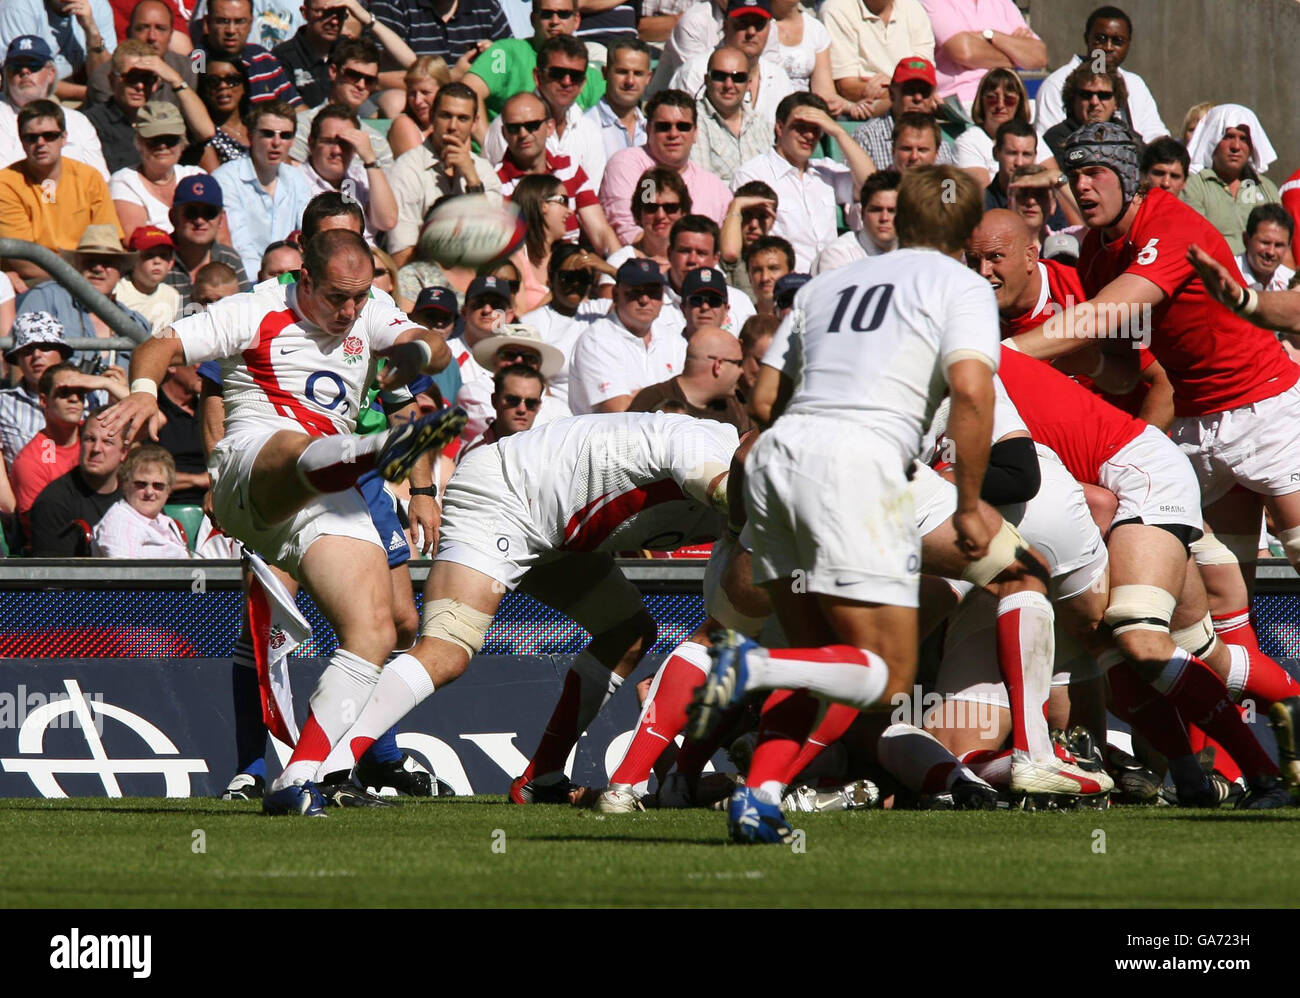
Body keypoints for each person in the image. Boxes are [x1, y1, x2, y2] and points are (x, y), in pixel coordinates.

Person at [685, 165, 1003, 843]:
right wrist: (970, 504)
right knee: (888, 675)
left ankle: (759, 796)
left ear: (898, 220)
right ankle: (750, 667)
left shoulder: (827, 284)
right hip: (860, 465)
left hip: (777, 459)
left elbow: (765, 401)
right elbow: (974, 394)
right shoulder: (964, 285)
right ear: (970, 231)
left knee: (821, 658)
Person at [100, 228, 462, 817]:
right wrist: (144, 391)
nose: (349, 311)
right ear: (306, 280)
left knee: (374, 632)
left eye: (359, 297)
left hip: (326, 498)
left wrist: (418, 352)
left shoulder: (367, 310)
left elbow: (434, 349)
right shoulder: (257, 307)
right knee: (298, 441)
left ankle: (298, 778)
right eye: (337, 298)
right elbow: (158, 346)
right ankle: (370, 450)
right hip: (253, 472)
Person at [1012, 124, 1300, 725]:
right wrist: (1063, 361)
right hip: (1196, 431)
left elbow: (1101, 315)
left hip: (1268, 409)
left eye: (1096, 173)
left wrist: (994, 358)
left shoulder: (1167, 225)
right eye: (1074, 174)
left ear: (1127, 175)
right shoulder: (1094, 253)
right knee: (1219, 610)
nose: (1083, 187)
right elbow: (1123, 371)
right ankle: (1251, 769)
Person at [321, 409, 738, 806]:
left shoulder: (757, 501)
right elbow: (720, 489)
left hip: (559, 534)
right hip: (504, 493)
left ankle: (541, 779)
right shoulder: (706, 444)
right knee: (447, 649)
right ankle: (323, 769)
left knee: (627, 632)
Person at [731, 92, 877, 272]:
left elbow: (872, 186)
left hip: (832, 277)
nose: (809, 135)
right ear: (779, 127)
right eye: (800, 127)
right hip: (784, 282)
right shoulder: (754, 173)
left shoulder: (826, 171)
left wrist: (838, 132)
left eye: (816, 128)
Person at [0, 100, 122, 288]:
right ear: (21, 141)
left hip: (90, 277)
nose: (40, 143)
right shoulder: (6, 183)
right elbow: (23, 261)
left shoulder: (90, 178)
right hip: (34, 281)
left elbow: (108, 243)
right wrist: (78, 274)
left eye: (49, 136)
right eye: (31, 138)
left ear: (64, 138)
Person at [387, 83, 502, 268]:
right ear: (432, 116)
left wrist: (472, 180)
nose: (453, 127)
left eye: (463, 118)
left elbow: (492, 241)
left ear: (474, 123)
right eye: (446, 116)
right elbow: (401, 254)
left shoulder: (482, 170)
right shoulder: (407, 169)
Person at [600, 89, 732, 244]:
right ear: (648, 130)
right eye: (664, 126)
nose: (673, 134)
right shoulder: (630, 165)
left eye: (683, 126)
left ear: (695, 133)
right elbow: (627, 230)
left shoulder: (714, 187)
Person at [495, 93, 620, 255]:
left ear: (549, 127)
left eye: (532, 125)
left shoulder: (570, 167)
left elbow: (601, 232)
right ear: (504, 133)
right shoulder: (495, 182)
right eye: (514, 128)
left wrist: (620, 269)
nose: (523, 133)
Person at [480, 34, 607, 189]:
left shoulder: (589, 130)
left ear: (583, 84)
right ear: (537, 76)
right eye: (557, 74)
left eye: (575, 76)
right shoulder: (510, 127)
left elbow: (589, 195)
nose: (567, 82)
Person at [12, 362, 125, 535]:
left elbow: (156, 419)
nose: (74, 399)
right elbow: (40, 527)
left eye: (80, 393)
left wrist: (107, 384)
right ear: (44, 400)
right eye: (64, 393)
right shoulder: (31, 461)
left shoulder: (95, 434)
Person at [16, 225, 152, 368]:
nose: (98, 268)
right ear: (76, 265)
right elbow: (21, 363)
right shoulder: (46, 298)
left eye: (108, 263)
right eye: (90, 260)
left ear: (121, 271)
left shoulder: (137, 323)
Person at [1033, 5, 1166, 146]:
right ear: (1086, 38)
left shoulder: (1135, 83)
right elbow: (1048, 148)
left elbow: (1154, 135)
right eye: (1100, 39)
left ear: (1128, 43)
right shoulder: (1056, 84)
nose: (1108, 47)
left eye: (1117, 41)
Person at [213, 100, 314, 279]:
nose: (276, 142)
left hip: (290, 279)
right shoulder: (225, 178)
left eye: (285, 135)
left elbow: (308, 233)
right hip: (245, 281)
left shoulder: (296, 178)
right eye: (268, 134)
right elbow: (239, 245)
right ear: (250, 136)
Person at [82, 39, 215, 175]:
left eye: (146, 78)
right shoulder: (90, 123)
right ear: (112, 80)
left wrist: (176, 80)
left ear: (156, 84)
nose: (139, 86)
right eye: (132, 77)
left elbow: (206, 132)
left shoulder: (166, 116)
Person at [568, 258, 684, 414]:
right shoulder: (597, 339)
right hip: (610, 436)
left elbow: (693, 399)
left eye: (653, 292)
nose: (644, 300)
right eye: (635, 292)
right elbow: (618, 410)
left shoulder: (674, 339)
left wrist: (638, 396)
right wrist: (670, 399)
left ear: (662, 296)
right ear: (615, 295)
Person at [466, 0, 604, 123]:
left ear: (576, 20)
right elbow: (467, 92)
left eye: (563, 14)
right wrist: (485, 142)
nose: (555, 21)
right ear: (533, 19)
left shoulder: (586, 74)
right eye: (546, 14)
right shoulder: (506, 53)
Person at [669, 0, 796, 127]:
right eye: (742, 23)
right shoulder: (694, 72)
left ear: (769, 29)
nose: (751, 32)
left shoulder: (780, 79)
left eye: (759, 24)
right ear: (725, 26)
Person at [0, 36, 108, 178]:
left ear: (51, 74)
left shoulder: (78, 122)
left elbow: (100, 181)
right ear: (6, 75)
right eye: (16, 67)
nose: (24, 71)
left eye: (34, 65)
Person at [1181, 104, 1280, 255]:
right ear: (1212, 140)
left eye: (1243, 139)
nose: (1236, 146)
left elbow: (1281, 243)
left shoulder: (1266, 189)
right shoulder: (1194, 186)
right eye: (1228, 137)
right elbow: (1194, 242)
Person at [27, 417, 127, 556]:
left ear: (124, 452)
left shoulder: (134, 495)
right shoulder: (53, 502)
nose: (96, 449)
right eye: (90, 439)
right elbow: (52, 573)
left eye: (107, 442)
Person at [298, 104, 398, 243]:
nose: (336, 150)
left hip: (370, 257)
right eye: (328, 142)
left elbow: (387, 221)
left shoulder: (362, 175)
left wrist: (370, 159)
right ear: (311, 143)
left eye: (344, 143)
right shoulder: (295, 180)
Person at [288, 39, 395, 169]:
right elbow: (291, 178)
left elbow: (387, 188)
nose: (361, 85)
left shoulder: (377, 142)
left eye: (369, 80)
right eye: (353, 75)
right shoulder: (301, 126)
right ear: (333, 71)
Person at [919, 0, 1045, 109]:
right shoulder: (934, 2)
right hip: (961, 103)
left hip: (1008, 100)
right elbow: (964, 52)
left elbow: (1039, 57)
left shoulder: (1002, 3)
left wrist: (991, 35)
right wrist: (1015, 54)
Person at [455, 323, 568, 441]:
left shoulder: (559, 408)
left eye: (530, 358)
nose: (519, 361)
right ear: (494, 359)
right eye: (509, 355)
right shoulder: (474, 392)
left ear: (539, 365)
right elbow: (507, 434)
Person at [110, 101, 208, 238]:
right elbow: (135, 241)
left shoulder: (197, 176)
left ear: (182, 143)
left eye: (170, 140)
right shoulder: (125, 181)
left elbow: (220, 235)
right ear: (139, 142)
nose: (162, 146)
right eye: (154, 139)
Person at [629, 323, 750, 431]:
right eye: (738, 363)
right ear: (718, 365)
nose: (742, 371)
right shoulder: (651, 401)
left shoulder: (735, 405)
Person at [820, 0, 933, 113]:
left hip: (908, 100)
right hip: (865, 110)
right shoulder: (836, 9)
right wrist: (898, 91)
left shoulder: (914, 8)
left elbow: (924, 71)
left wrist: (894, 84)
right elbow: (847, 87)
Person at [163, 175, 253, 312]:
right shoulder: (156, 257)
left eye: (209, 213)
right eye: (191, 212)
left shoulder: (229, 259)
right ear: (173, 217)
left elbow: (247, 311)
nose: (200, 221)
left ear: (221, 219)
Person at [0, 0, 116, 102]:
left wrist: (92, 33)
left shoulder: (98, 5)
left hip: (77, 90)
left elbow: (104, 79)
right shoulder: (19, 6)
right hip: (28, 91)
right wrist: (88, 93)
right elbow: (19, 77)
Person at [192, 0, 303, 107]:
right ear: (207, 23)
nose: (231, 30)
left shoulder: (263, 58)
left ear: (251, 23)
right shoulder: (197, 62)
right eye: (222, 21)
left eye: (240, 21)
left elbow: (297, 109)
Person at [851, 57, 954, 171]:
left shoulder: (938, 139)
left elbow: (949, 182)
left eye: (924, 92)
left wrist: (948, 189)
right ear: (892, 93)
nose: (918, 98)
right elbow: (855, 184)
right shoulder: (866, 136)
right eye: (909, 90)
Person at [690, 46, 773, 187]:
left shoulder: (761, 124)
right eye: (720, 76)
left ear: (748, 83)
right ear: (706, 79)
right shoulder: (691, 122)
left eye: (738, 78)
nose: (729, 85)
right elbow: (702, 186)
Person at [89, 0, 197, 107]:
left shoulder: (186, 69)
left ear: (170, 35)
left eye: (161, 29)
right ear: (129, 33)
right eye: (142, 28)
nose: (152, 37)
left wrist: (177, 82)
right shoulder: (107, 75)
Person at [0, 312, 74, 468]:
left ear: (62, 354)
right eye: (27, 350)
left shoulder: (93, 396)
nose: (36, 355)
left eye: (45, 347)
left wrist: (107, 385)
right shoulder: (3, 403)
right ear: (18, 360)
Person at [91, 444, 191, 557]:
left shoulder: (165, 522)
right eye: (141, 484)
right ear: (125, 485)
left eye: (158, 485)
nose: (149, 492)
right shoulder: (120, 523)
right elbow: (124, 572)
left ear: (168, 490)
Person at [952, 68, 1031, 187]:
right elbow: (984, 198)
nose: (1000, 105)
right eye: (992, 98)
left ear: (1019, 103)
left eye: (1009, 99)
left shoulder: (1032, 136)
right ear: (981, 100)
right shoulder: (968, 142)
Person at [509, 174, 575, 313]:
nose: (570, 211)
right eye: (564, 201)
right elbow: (516, 321)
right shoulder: (513, 260)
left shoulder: (568, 258)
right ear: (542, 204)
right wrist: (558, 293)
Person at [1040, 63, 1130, 166]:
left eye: (1104, 95)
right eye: (1086, 95)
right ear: (1073, 99)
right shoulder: (1055, 139)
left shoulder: (1130, 138)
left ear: (1117, 102)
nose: (1094, 102)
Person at [814, 168, 898, 273]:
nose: (884, 218)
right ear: (862, 213)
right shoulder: (838, 255)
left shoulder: (914, 252)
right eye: (876, 210)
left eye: (892, 211)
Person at [584, 38, 651, 160]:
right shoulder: (585, 126)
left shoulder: (652, 130)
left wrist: (648, 180)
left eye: (638, 73)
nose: (630, 81)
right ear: (605, 73)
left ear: (648, 78)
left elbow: (652, 178)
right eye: (622, 72)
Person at [387, 56, 452, 160]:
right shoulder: (403, 124)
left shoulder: (453, 125)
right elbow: (418, 171)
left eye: (425, 92)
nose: (418, 101)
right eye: (412, 93)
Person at [196, 58, 253, 172]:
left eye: (232, 80)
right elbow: (217, 181)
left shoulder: (258, 125)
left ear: (244, 87)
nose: (223, 86)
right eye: (213, 81)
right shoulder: (205, 135)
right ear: (204, 89)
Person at [1236, 204, 1295, 292]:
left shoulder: (1291, 282)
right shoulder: (1225, 275)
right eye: (1265, 242)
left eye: (1279, 245)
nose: (1271, 252)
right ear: (1246, 240)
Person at [744, 234, 793, 314]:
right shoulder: (740, 322)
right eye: (757, 270)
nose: (765, 278)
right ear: (749, 276)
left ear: (791, 275)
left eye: (773, 268)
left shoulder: (803, 322)